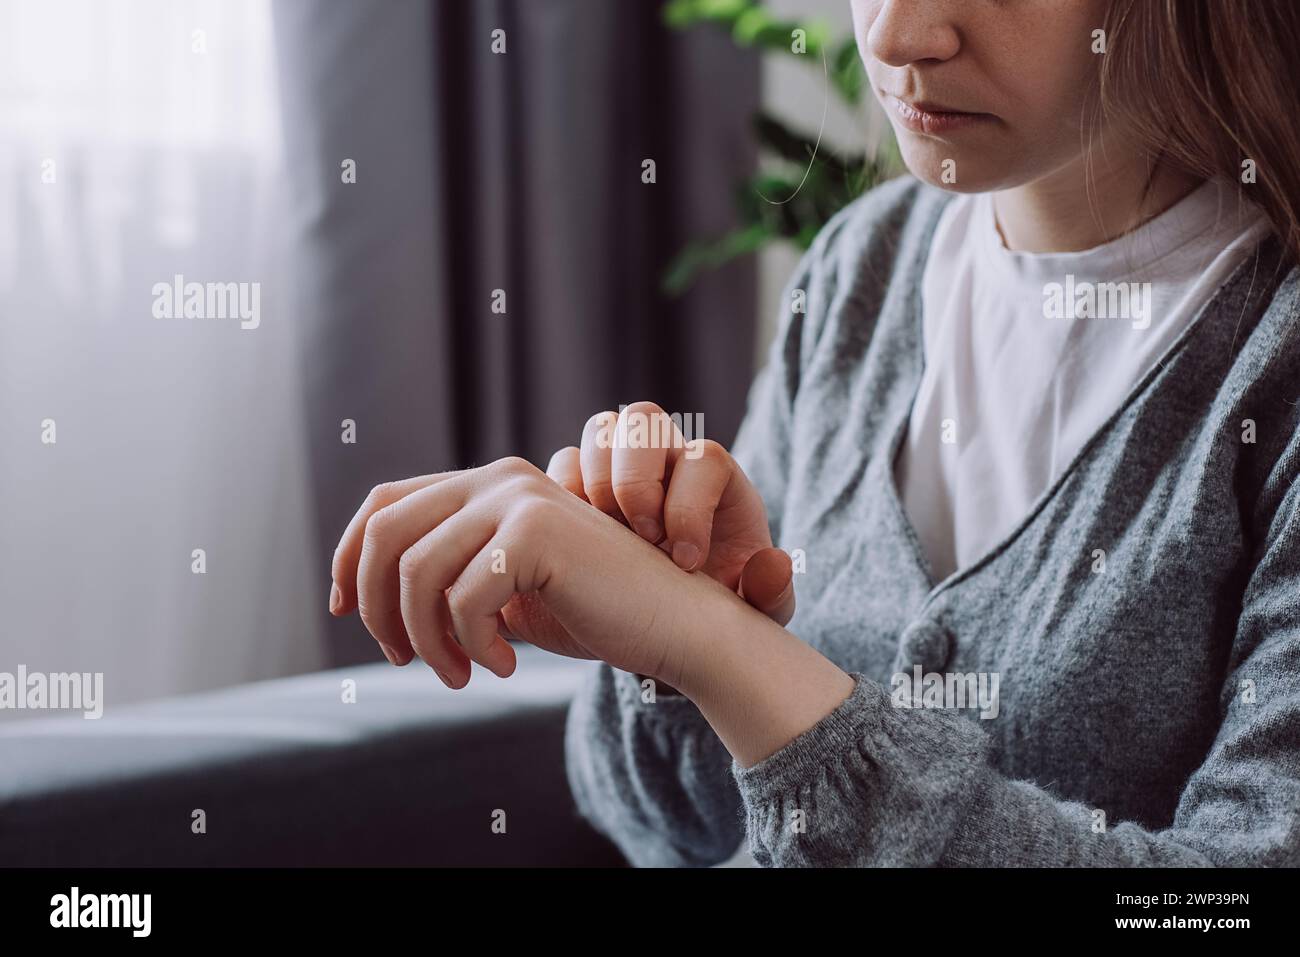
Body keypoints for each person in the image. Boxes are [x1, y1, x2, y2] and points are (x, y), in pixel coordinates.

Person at [328, 0, 1300, 867]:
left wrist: (719, 648)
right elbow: (670, 829)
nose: (892, 36)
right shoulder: (863, 268)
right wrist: (662, 643)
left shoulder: (1271, 355)